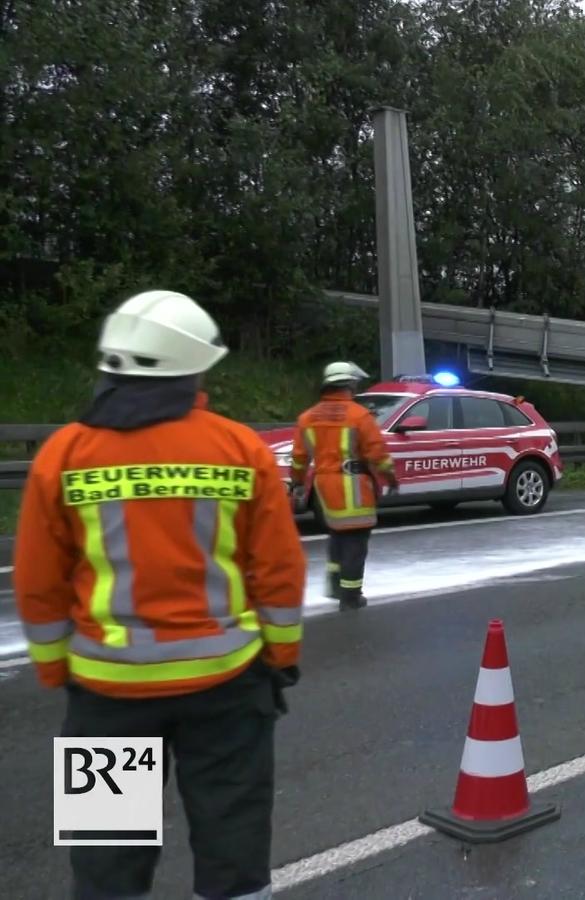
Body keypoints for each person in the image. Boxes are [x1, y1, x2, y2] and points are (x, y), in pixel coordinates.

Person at [15, 290, 306, 900]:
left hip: (107, 698)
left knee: (107, 861)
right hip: (226, 689)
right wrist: (279, 658)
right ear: (194, 367)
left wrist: (54, 669)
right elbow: (277, 569)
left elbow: (39, 580)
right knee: (233, 848)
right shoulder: (239, 448)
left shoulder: (63, 454)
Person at [292, 361, 399, 610]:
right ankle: (350, 597)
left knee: (338, 535)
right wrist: (390, 478)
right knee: (355, 542)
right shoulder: (358, 415)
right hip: (354, 487)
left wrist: (297, 484)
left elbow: (299, 458)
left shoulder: (307, 417)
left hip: (323, 488)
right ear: (350, 384)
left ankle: (335, 586)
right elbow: (377, 453)